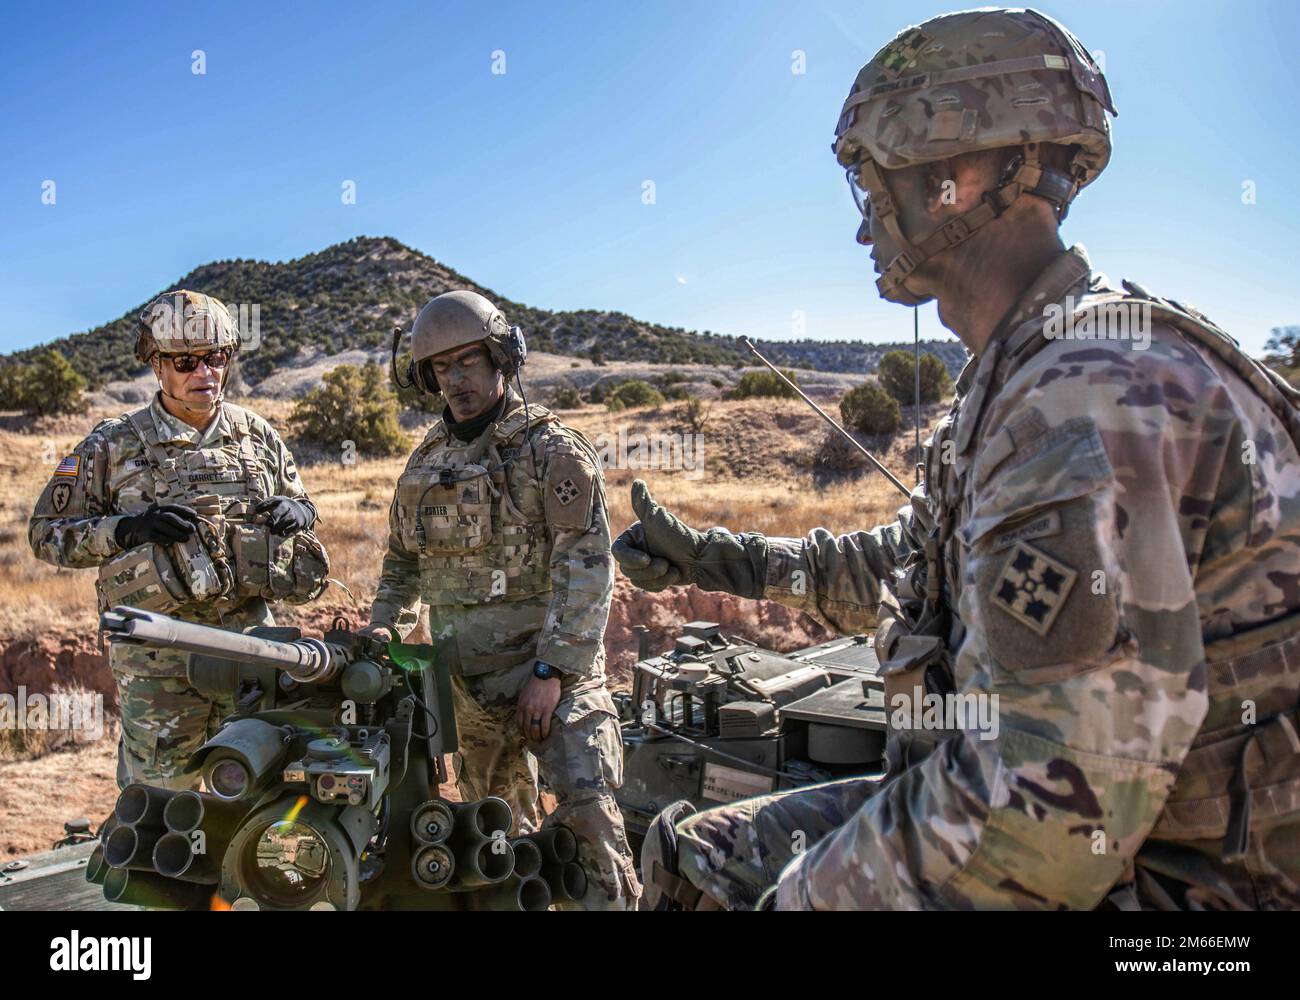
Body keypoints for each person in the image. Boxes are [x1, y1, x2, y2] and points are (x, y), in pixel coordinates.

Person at [615, 8, 1300, 910]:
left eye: (872, 185)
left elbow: (1039, 817)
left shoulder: (1085, 392)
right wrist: (718, 560)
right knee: (697, 855)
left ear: (956, 174)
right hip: (1084, 835)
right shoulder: (1021, 374)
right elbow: (909, 569)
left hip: (1170, 893)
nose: (865, 228)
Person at [361, 289, 641, 909]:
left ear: (501, 357)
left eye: (468, 360)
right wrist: (383, 630)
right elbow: (402, 566)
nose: (456, 378)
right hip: (469, 692)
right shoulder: (424, 464)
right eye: (441, 366)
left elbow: (587, 569)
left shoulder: (552, 451)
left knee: (590, 829)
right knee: (498, 853)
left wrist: (551, 670)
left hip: (555, 680)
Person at [29, 290, 328, 790]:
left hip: (250, 654)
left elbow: (302, 505)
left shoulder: (257, 435)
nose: (204, 373)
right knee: (163, 804)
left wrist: (301, 512)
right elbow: (46, 534)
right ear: (157, 365)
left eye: (216, 357)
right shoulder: (111, 444)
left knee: (256, 796)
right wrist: (125, 530)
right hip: (159, 666)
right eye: (186, 362)